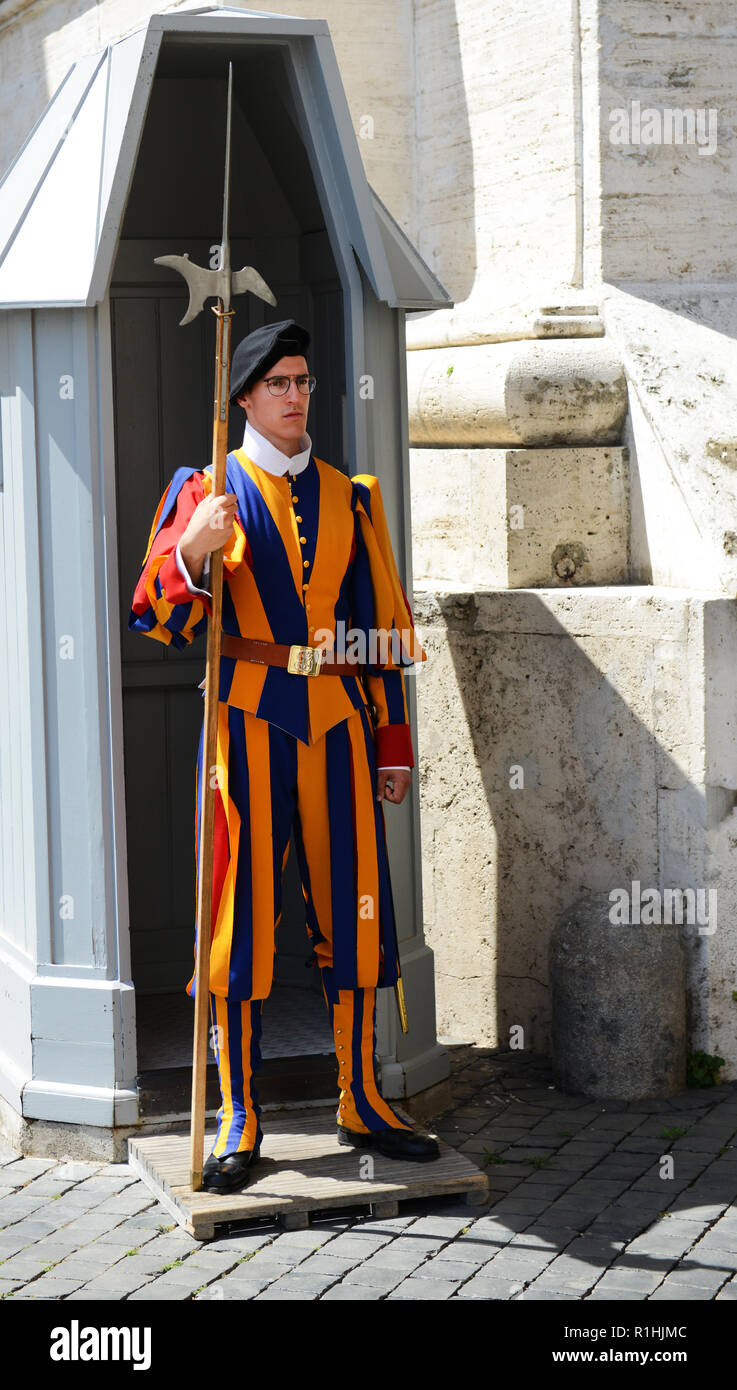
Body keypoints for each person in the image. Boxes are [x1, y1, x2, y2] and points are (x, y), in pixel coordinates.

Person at [129, 318, 439, 1193]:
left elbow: (379, 631)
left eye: (304, 381)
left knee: (355, 908)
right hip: (249, 723)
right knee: (240, 918)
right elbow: (158, 616)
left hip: (340, 722)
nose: (297, 396)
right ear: (245, 399)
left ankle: (361, 1098)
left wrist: (392, 743)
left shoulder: (351, 496)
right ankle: (239, 1113)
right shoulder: (206, 487)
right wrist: (193, 553)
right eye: (279, 384)